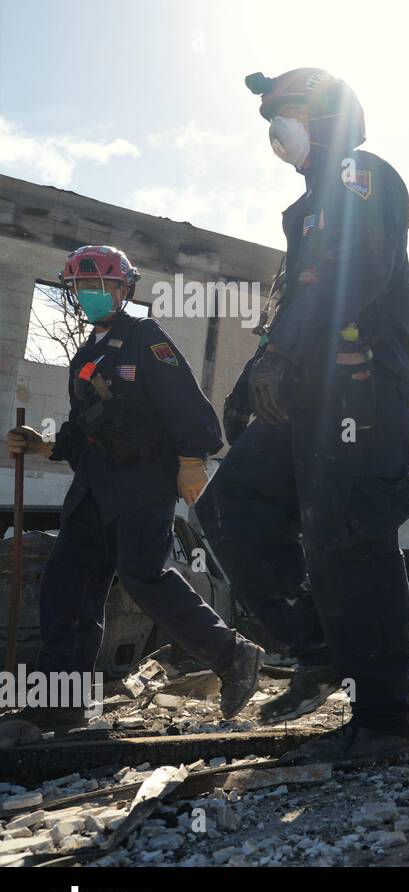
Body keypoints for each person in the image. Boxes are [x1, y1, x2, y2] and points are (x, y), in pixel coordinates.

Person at [195, 69, 409, 765]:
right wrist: (253, 382)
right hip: (305, 396)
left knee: (351, 539)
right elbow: (291, 311)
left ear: (329, 118)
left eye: (288, 112)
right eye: (270, 117)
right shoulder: (304, 213)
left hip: (362, 393)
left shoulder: (365, 176)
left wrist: (283, 353)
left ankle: (386, 721)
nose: (276, 129)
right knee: (229, 506)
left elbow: (358, 270)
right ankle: (319, 649)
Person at [2, 245, 263, 731]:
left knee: (144, 575)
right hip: (92, 491)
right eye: (84, 288)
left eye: (105, 286)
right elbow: (84, 433)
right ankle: (57, 708)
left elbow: (189, 408)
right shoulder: (86, 355)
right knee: (67, 588)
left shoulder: (145, 339)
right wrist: (41, 446)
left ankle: (233, 656)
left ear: (125, 290)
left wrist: (191, 462)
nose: (93, 296)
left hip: (143, 483)